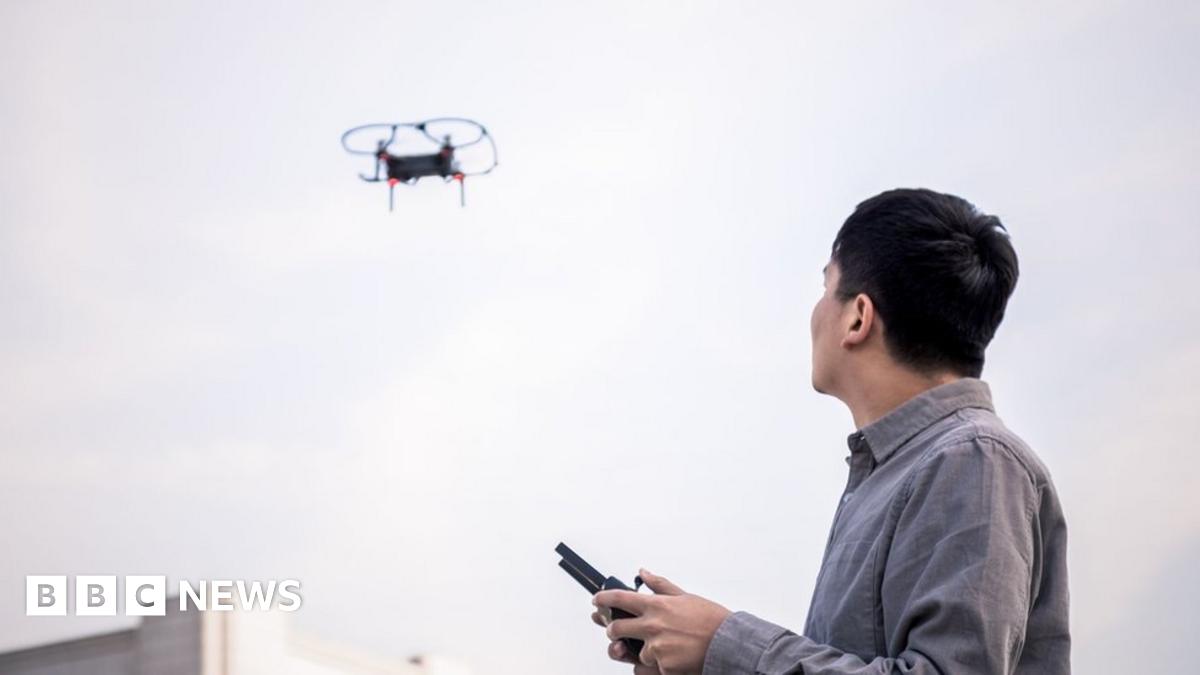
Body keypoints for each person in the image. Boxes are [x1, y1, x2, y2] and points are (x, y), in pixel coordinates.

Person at [592, 188, 1070, 674]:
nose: (816, 310)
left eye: (826, 287)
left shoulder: (975, 461)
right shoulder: (898, 474)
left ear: (858, 316)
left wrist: (724, 642)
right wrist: (704, 661)